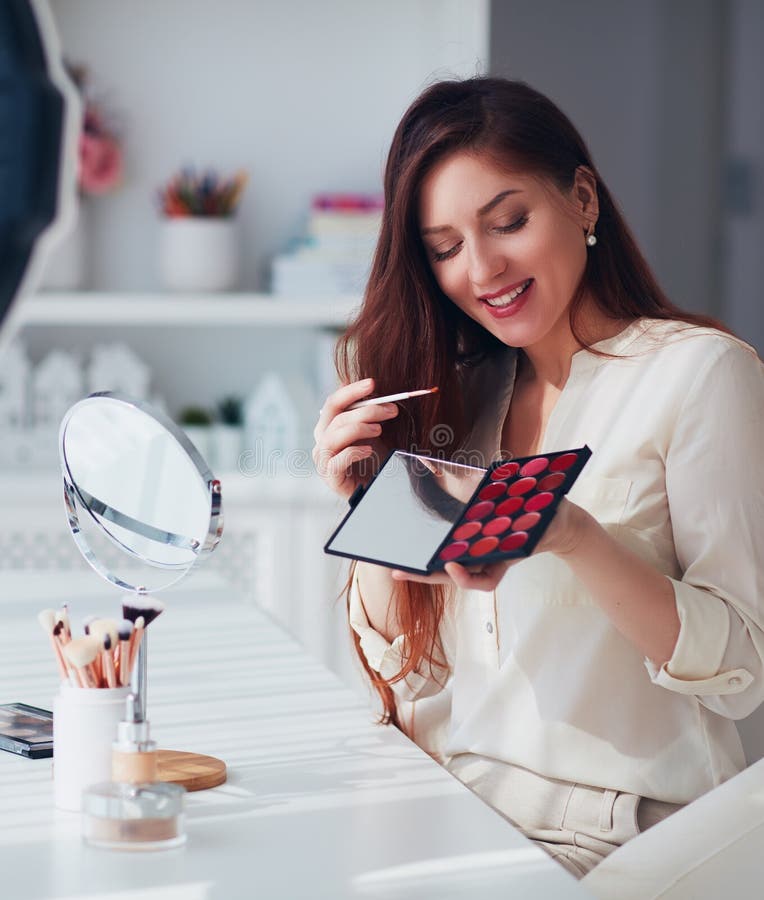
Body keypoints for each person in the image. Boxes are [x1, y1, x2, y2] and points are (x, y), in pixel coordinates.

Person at [312, 77, 764, 879]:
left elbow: (742, 672)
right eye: (445, 247)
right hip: (452, 806)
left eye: (508, 221)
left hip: (626, 838)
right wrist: (370, 506)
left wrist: (576, 537)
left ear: (582, 200)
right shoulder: (462, 397)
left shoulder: (701, 375)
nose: (482, 268)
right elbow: (403, 671)